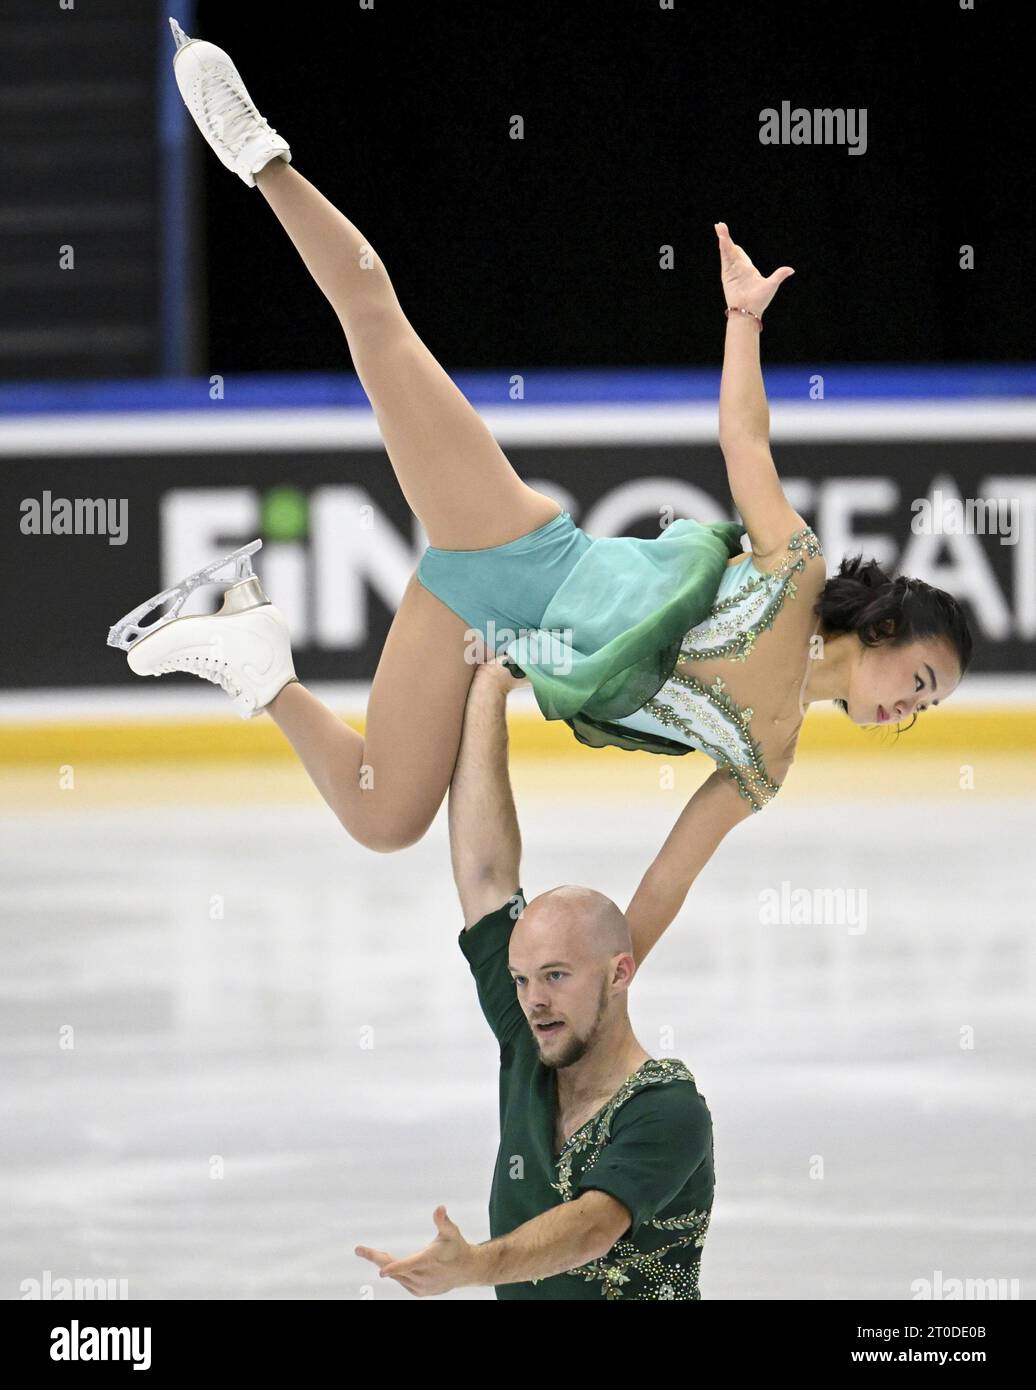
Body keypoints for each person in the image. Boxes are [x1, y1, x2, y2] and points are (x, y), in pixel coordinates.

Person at [114, 23, 973, 918]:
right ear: (884, 631)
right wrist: (745, 324)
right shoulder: (795, 572)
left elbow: (670, 874)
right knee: (379, 328)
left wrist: (615, 984)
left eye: (927, 709)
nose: (907, 713)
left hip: (487, 634)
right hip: (516, 549)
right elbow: (744, 445)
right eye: (919, 682)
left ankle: (256, 656)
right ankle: (263, 156)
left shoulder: (771, 757)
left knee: (383, 815)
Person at [355, 658, 714, 1300]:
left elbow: (591, 1229)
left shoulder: (668, 1107)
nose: (534, 1000)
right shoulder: (531, 1042)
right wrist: (491, 688)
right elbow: (488, 874)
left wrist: (476, 1266)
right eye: (521, 979)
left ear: (618, 974)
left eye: (555, 975)